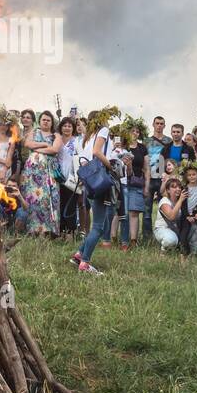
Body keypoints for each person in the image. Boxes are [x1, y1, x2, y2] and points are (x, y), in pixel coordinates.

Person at [72, 118, 118, 275]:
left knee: (102, 224)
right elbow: (97, 152)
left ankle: (79, 254)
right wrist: (112, 167)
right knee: (98, 227)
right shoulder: (103, 131)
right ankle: (85, 263)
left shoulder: (87, 137)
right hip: (100, 182)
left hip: (90, 183)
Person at [18, 109, 61, 235]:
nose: (46, 122)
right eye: (43, 120)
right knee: (33, 198)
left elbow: (54, 150)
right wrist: (43, 144)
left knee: (47, 200)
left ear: (52, 122)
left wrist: (37, 150)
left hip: (48, 173)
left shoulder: (56, 135)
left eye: (48, 120)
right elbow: (28, 144)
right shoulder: (34, 131)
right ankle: (32, 229)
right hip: (32, 174)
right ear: (39, 121)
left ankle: (48, 230)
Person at [178, 162, 197, 259]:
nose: (192, 177)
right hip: (187, 215)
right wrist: (187, 215)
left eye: (194, 174)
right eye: (189, 175)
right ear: (186, 177)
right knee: (185, 231)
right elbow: (182, 204)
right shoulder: (184, 189)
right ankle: (183, 252)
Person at [154, 176, 186, 252]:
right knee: (171, 240)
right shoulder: (164, 201)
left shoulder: (181, 201)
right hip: (162, 229)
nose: (178, 189)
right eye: (174, 187)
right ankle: (163, 250)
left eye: (179, 187)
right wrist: (181, 200)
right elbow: (171, 217)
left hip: (175, 230)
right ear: (168, 190)